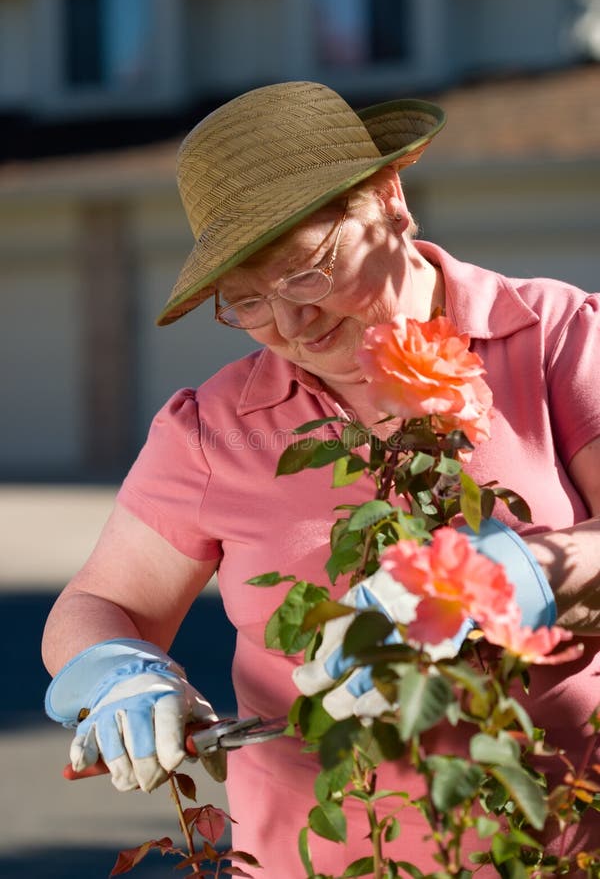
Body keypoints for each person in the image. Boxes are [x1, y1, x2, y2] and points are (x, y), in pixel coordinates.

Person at [42, 81, 600, 877]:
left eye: (306, 272)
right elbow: (101, 599)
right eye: (246, 301)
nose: (291, 323)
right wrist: (119, 674)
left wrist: (511, 578)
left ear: (390, 200)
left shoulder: (558, 340)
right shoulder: (215, 427)